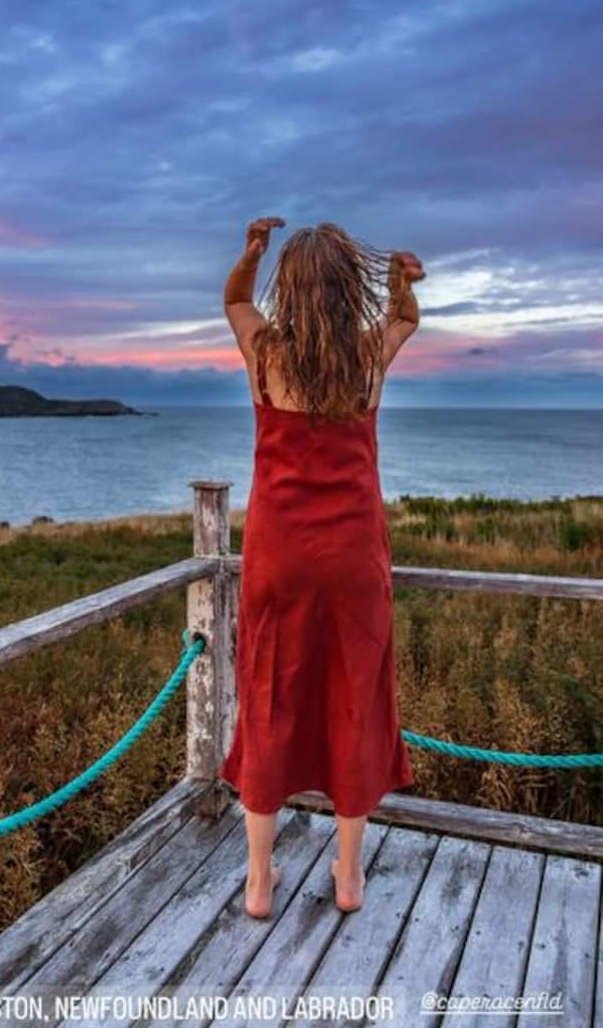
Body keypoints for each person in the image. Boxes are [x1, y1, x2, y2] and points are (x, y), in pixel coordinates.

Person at [218, 217, 424, 919]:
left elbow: (235, 304)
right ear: (346, 291)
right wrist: (399, 284)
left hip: (279, 557)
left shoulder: (264, 357)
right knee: (355, 702)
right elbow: (405, 320)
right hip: (354, 559)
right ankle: (346, 877)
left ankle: (256, 881)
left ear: (293, 290)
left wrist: (250, 256)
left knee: (268, 701)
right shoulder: (367, 360)